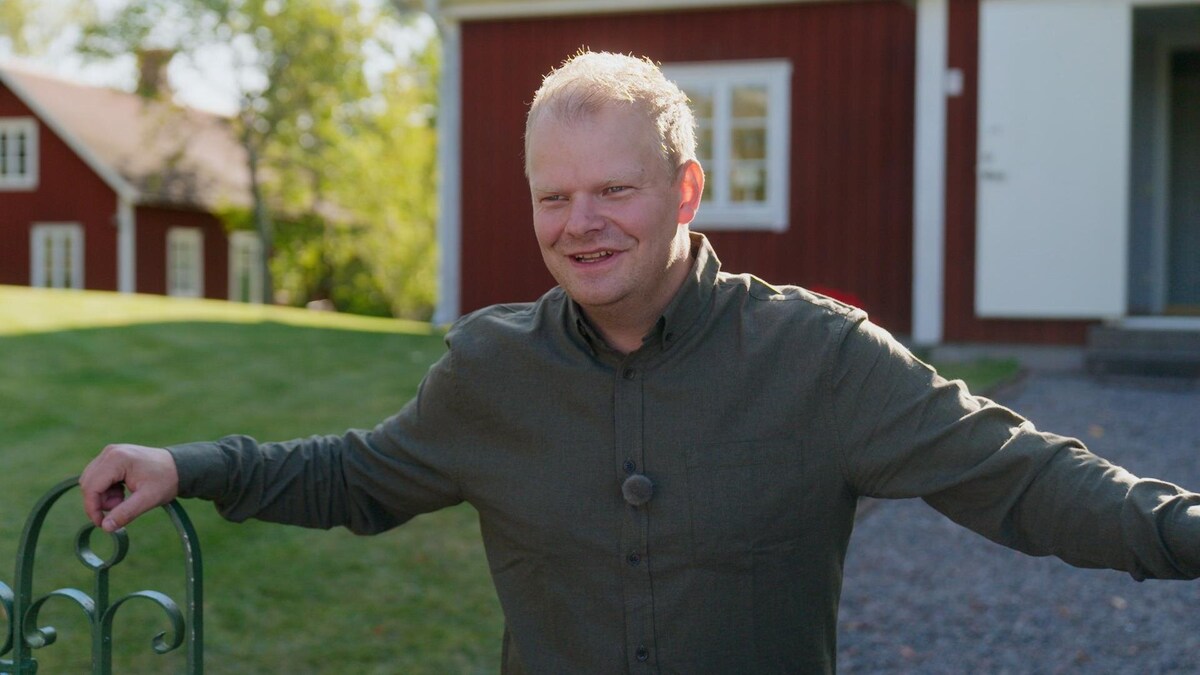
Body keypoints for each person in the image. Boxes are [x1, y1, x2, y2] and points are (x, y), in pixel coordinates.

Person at [79, 50, 1200, 673]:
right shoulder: (489, 369)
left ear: (686, 190)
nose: (581, 224)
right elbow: (355, 476)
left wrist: (1181, 530)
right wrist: (192, 464)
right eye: (552, 196)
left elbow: (1023, 475)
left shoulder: (815, 355)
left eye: (614, 189)